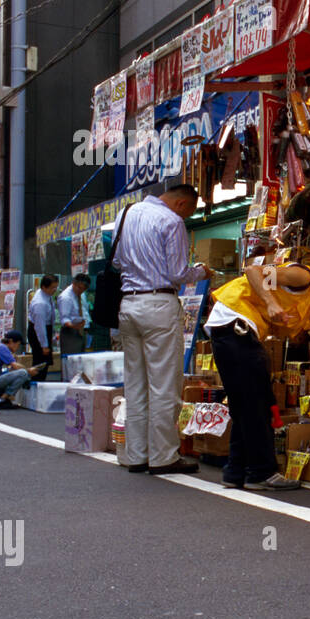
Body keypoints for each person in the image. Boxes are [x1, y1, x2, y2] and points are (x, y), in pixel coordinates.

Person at [206, 251, 310, 490]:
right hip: (237, 326)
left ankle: (235, 471)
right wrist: (271, 303)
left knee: (245, 404)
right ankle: (261, 472)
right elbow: (253, 272)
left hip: (230, 330)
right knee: (259, 403)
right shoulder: (304, 278)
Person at [112, 184, 210, 475]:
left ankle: (137, 455)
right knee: (164, 385)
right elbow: (178, 273)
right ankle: (164, 456)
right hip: (158, 304)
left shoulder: (125, 213)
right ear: (181, 204)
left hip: (128, 304)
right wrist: (203, 272)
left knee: (136, 385)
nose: (187, 217)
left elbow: (117, 261)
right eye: (189, 212)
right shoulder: (172, 221)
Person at [27, 274, 58, 373]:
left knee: (44, 362)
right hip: (38, 332)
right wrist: (44, 345)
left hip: (44, 329)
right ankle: (36, 384)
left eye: (56, 287)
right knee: (40, 363)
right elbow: (39, 327)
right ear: (44, 287)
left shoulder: (46, 295)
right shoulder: (40, 303)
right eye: (52, 287)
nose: (55, 290)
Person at [57, 273, 90, 359]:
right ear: (74, 283)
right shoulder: (65, 297)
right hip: (70, 331)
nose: (81, 290)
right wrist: (75, 326)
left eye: (83, 289)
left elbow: (84, 310)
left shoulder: (81, 294)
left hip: (82, 330)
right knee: (71, 361)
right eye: (79, 288)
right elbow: (64, 319)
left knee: (81, 361)